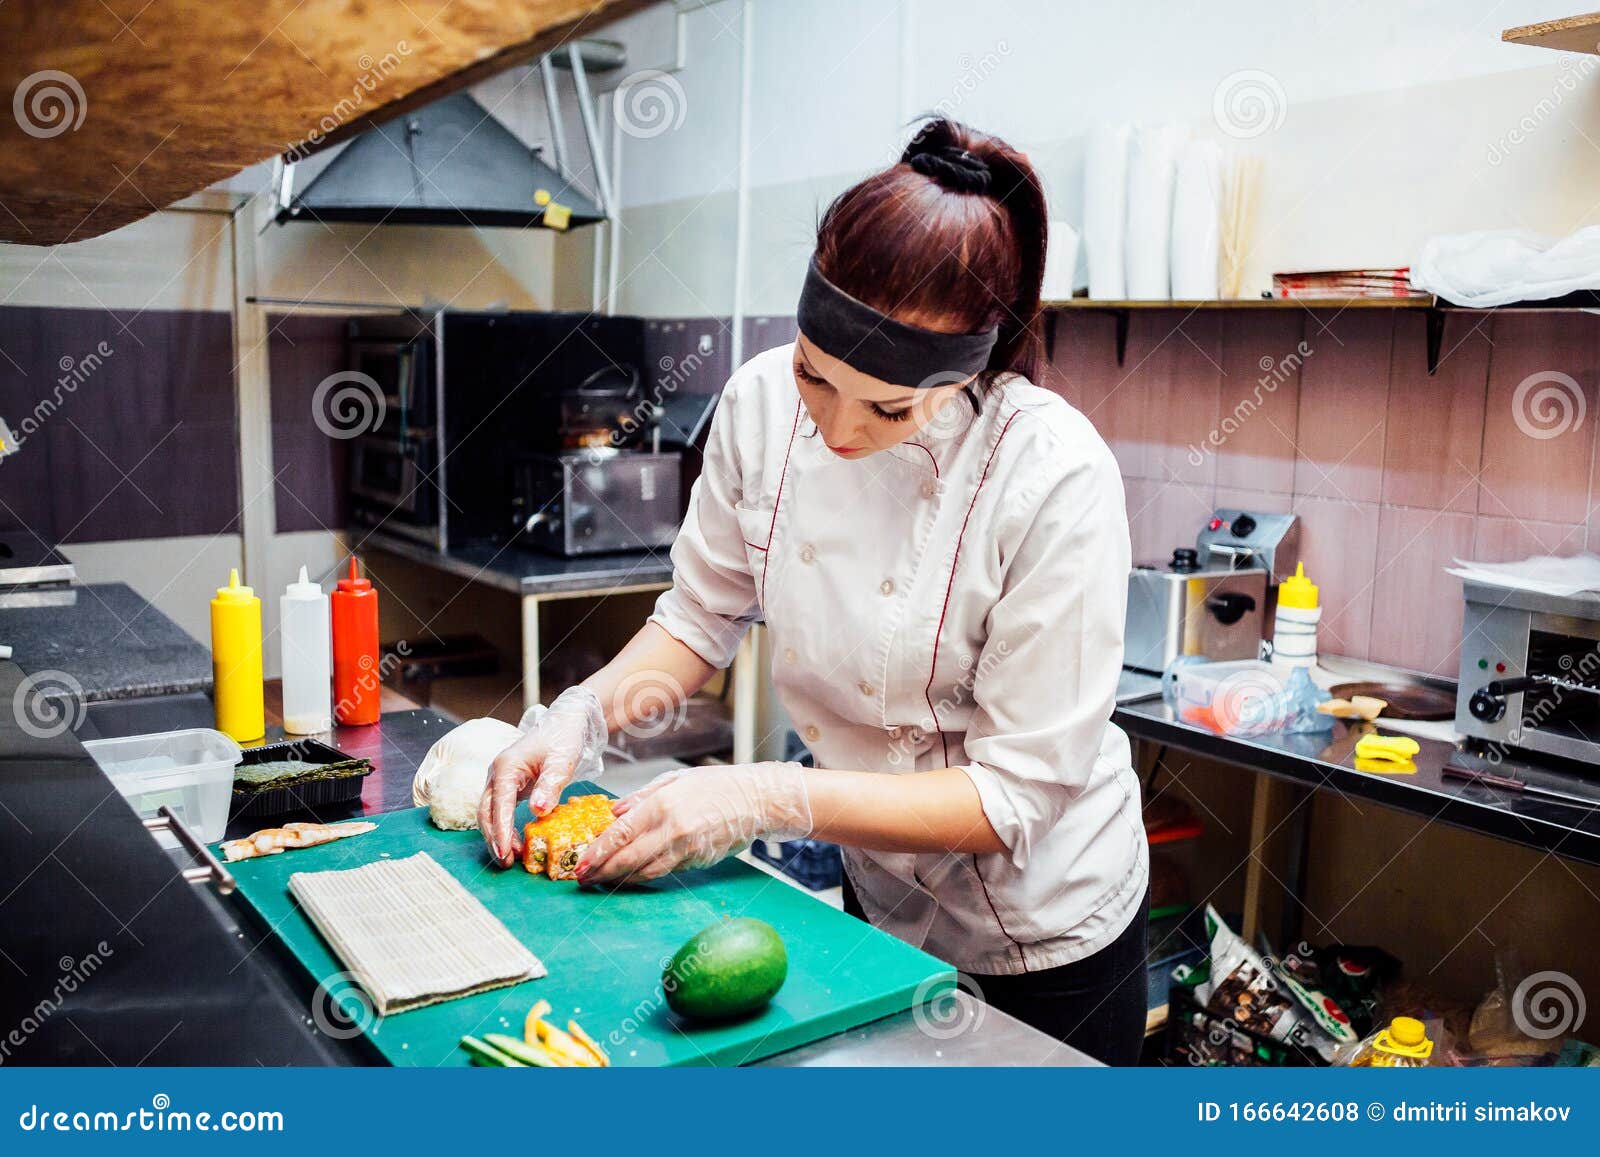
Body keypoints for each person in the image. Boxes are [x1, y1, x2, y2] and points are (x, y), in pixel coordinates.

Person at [480, 118, 1148, 1065]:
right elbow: (699, 616)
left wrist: (762, 795)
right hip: (876, 909)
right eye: (814, 375)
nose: (834, 426)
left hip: (1041, 941)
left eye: (887, 407)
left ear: (965, 376)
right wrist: (581, 716)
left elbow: (1012, 797)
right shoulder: (757, 404)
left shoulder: (1051, 473)